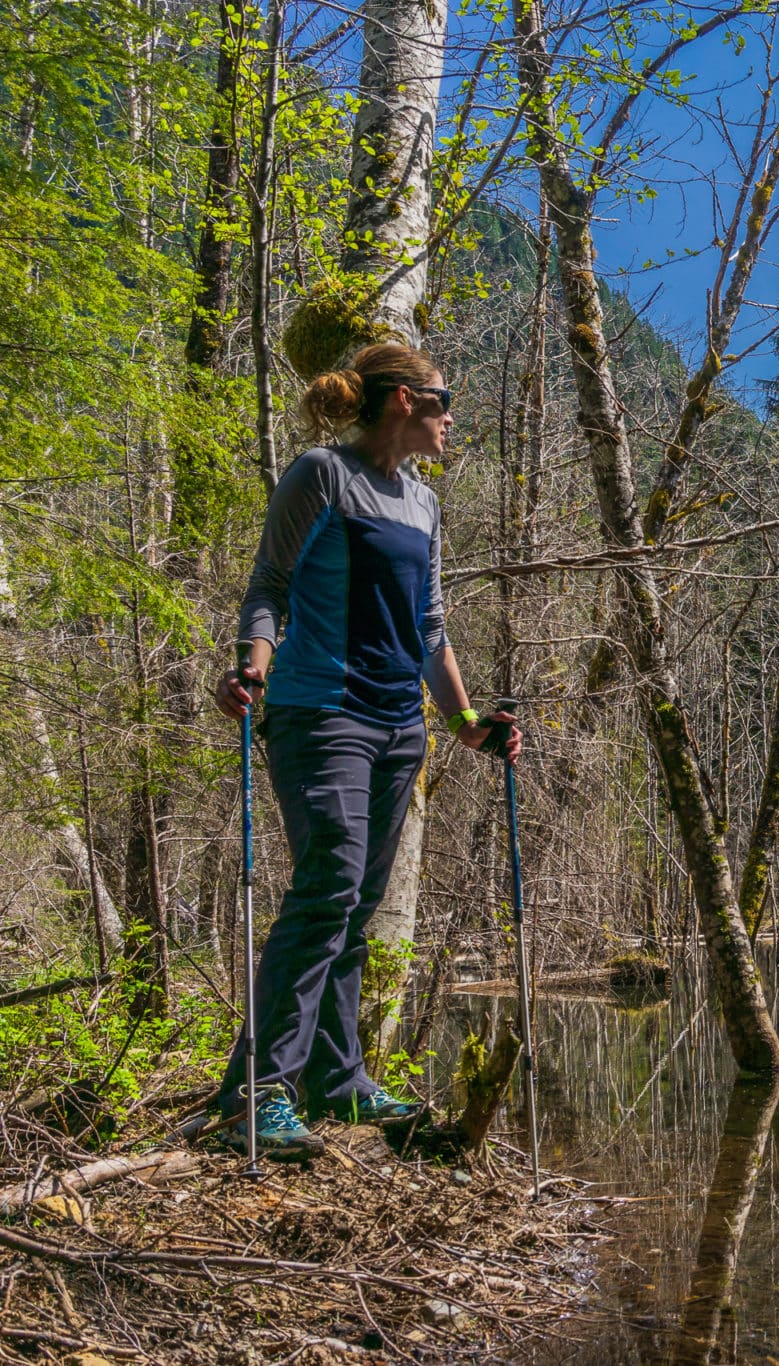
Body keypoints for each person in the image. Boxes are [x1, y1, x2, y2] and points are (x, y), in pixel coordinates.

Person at [212, 342, 521, 1160]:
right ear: (403, 402)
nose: (452, 416)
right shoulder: (321, 473)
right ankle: (258, 1094)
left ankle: (337, 1078)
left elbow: (430, 630)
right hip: (321, 712)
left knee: (357, 906)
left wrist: (463, 723)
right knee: (328, 885)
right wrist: (252, 666)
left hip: (397, 726)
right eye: (442, 399)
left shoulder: (422, 503)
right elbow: (269, 586)